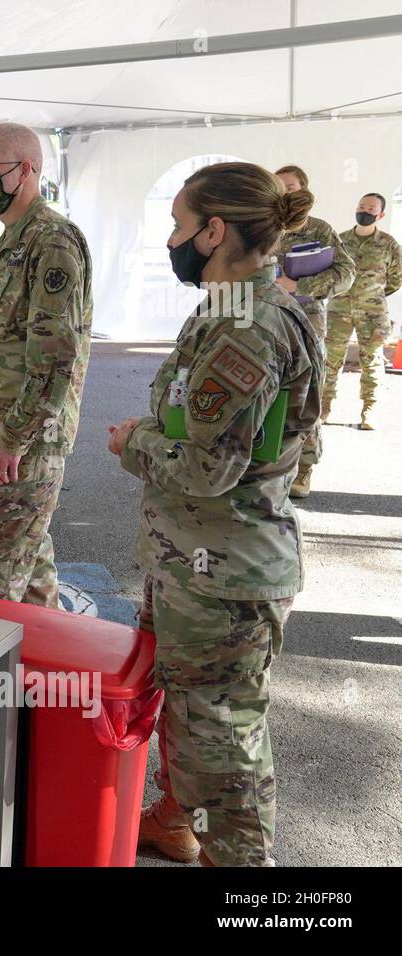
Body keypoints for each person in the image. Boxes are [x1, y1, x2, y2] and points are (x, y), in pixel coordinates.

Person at [110, 162, 323, 867]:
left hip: (224, 582)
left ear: (214, 230)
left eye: (178, 225)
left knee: (225, 756)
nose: (172, 240)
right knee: (193, 724)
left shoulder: (248, 328)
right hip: (195, 568)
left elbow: (207, 468)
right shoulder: (230, 307)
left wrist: (134, 441)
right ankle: (176, 820)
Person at [0, 122, 92, 608]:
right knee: (31, 565)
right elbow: (5, 347)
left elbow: (55, 361)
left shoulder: (51, 240)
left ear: (28, 170)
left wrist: (12, 439)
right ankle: (49, 670)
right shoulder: (15, 236)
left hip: (29, 440)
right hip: (7, 433)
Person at [271, 165, 355, 497]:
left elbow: (346, 273)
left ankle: (303, 468)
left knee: (305, 397)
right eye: (280, 187)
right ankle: (267, 464)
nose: (286, 193)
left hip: (306, 324)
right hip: (266, 321)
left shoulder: (319, 229)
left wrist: (300, 284)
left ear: (304, 190)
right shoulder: (261, 227)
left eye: (291, 187)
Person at [325, 192, 400, 430]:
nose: (364, 211)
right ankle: (324, 406)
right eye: (361, 206)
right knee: (330, 360)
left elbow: (396, 278)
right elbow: (330, 271)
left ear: (381, 214)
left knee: (372, 361)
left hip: (372, 312)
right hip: (339, 309)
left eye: (371, 209)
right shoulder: (340, 240)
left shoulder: (389, 244)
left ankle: (370, 409)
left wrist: (372, 295)